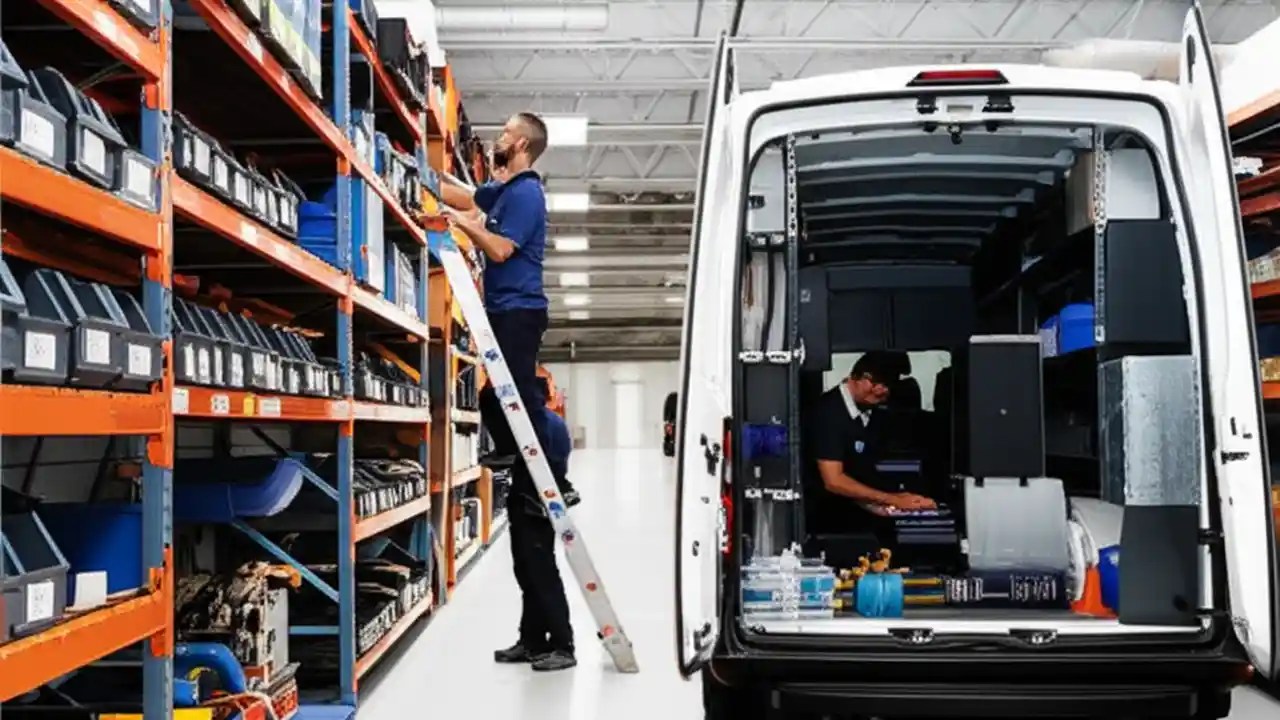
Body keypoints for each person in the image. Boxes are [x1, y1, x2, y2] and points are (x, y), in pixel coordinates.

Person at [442, 111, 581, 507]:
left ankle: (558, 480)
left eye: (505, 133)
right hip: (505, 310)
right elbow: (469, 195)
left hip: (520, 311)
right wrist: (424, 176)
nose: (498, 138)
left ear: (522, 144)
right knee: (495, 399)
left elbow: (501, 250)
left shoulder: (526, 194)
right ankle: (513, 453)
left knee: (520, 400)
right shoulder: (506, 190)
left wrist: (461, 224)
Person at [494, 377, 576, 672]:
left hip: (537, 509)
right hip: (524, 505)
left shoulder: (544, 424)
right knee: (527, 576)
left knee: (542, 576)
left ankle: (563, 646)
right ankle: (532, 641)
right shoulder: (537, 424)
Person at [809, 351, 937, 537]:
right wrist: (891, 499)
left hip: (860, 518)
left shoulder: (873, 414)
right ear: (858, 377)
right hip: (827, 522)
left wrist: (889, 502)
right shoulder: (828, 414)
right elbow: (834, 481)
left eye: (888, 385)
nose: (881, 390)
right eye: (877, 382)